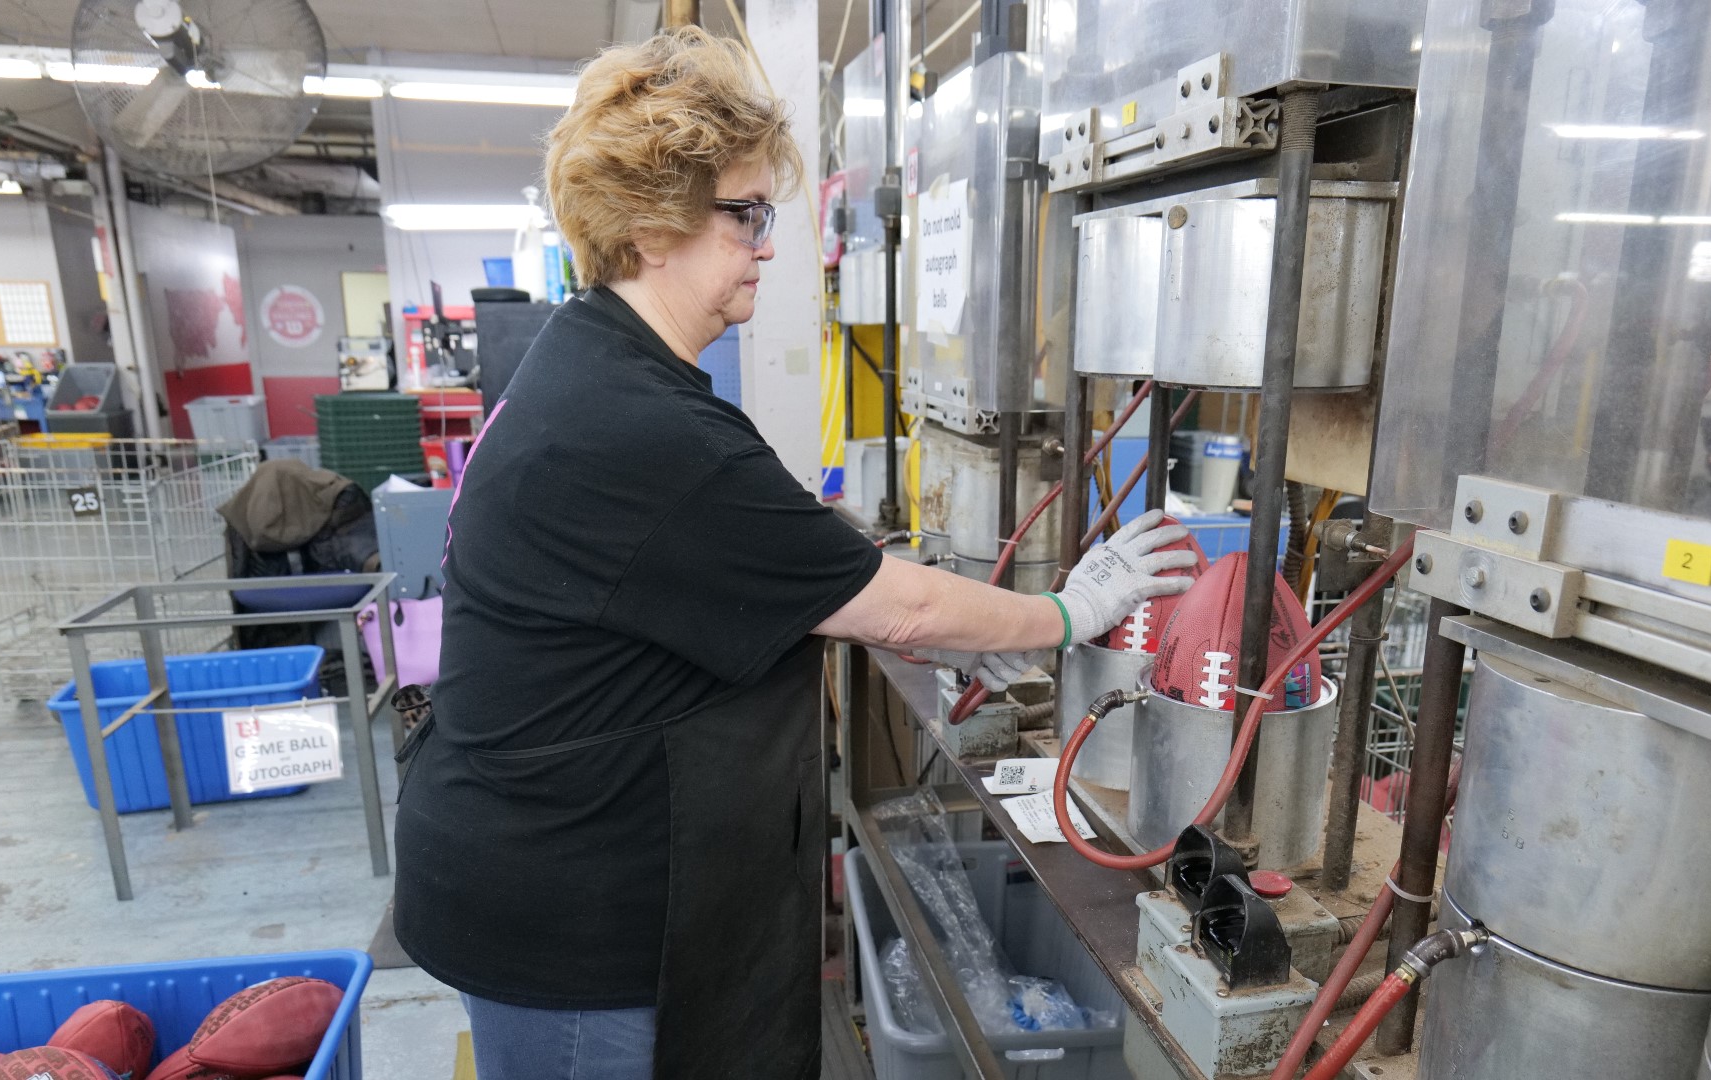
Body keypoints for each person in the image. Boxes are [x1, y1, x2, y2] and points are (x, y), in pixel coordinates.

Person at [392, 28, 1194, 1080]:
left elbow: (738, 578)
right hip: (575, 922)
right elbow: (893, 607)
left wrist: (955, 627)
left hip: (536, 857)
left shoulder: (594, 361)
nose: (767, 244)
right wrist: (1064, 616)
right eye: (745, 215)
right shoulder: (641, 428)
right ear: (649, 224)